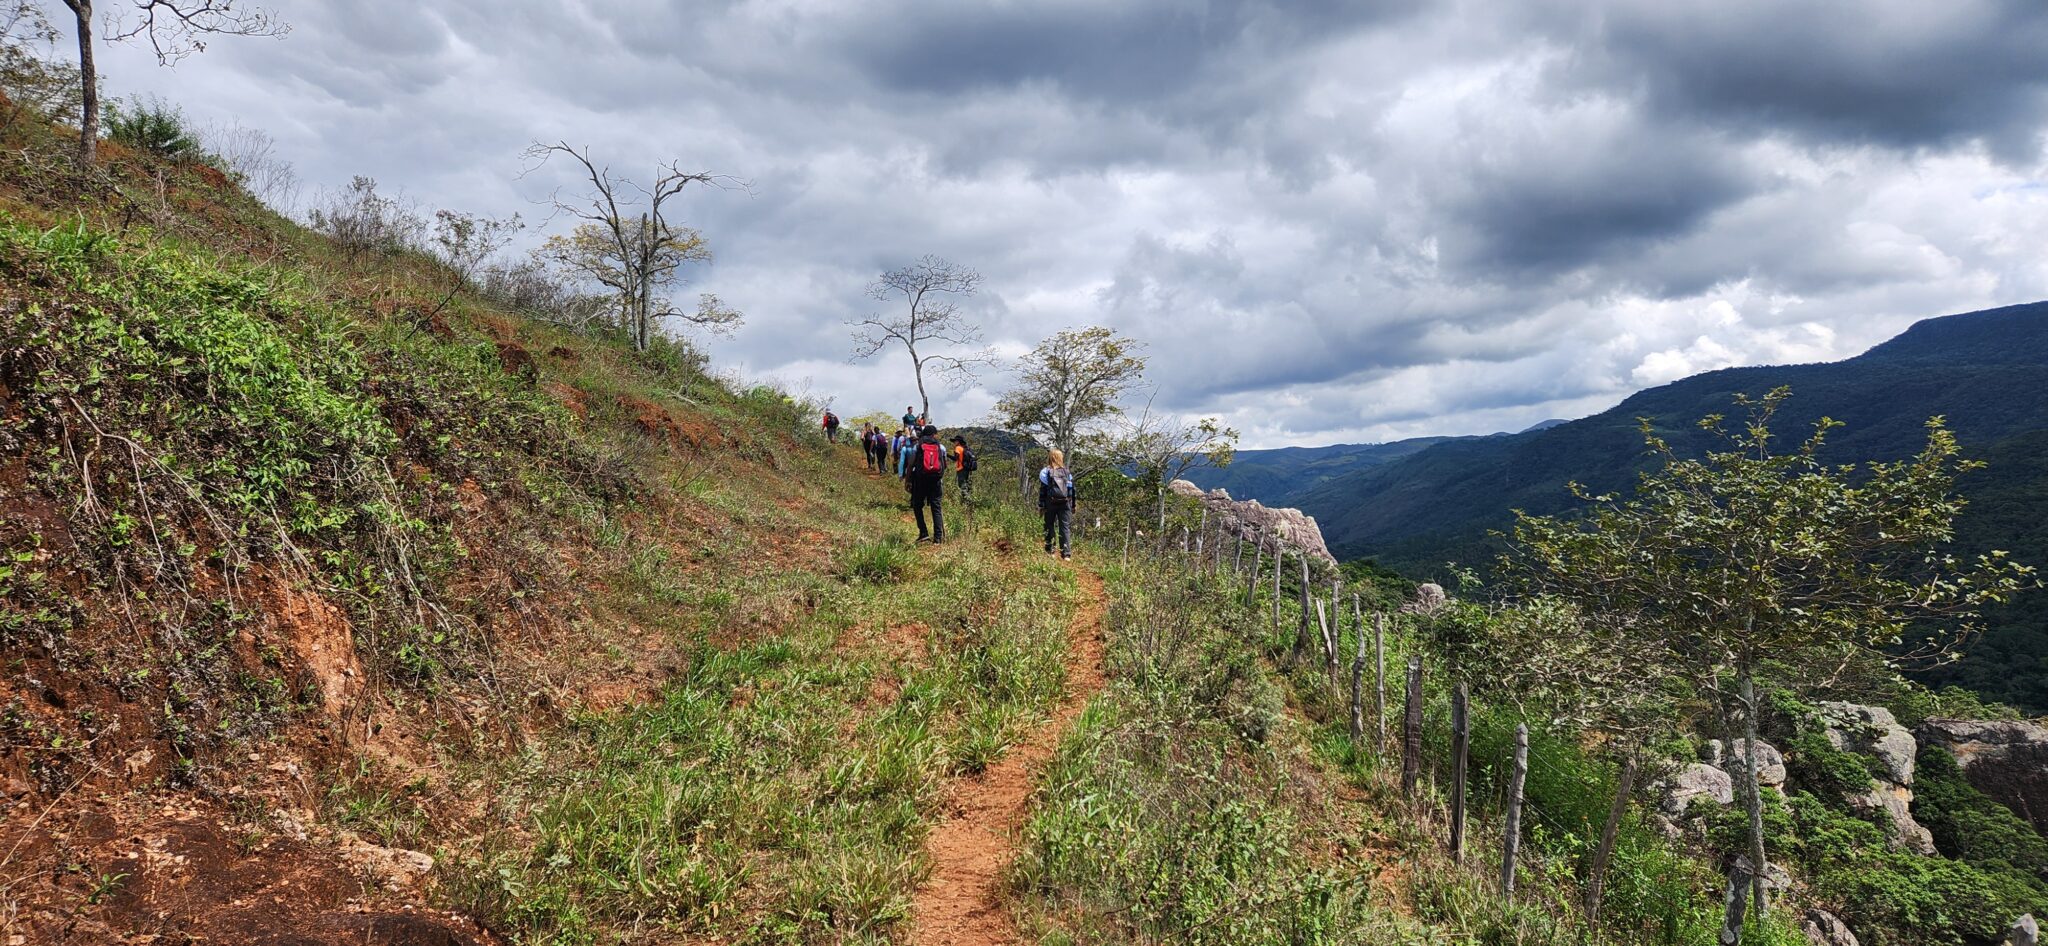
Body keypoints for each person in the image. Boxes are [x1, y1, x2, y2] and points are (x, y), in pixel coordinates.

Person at [906, 424, 949, 543]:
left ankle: (923, 533)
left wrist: (908, 481)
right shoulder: (941, 447)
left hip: (920, 480)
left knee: (917, 505)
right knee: (936, 507)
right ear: (934, 434)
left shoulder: (918, 446)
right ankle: (938, 538)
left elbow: (911, 465)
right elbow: (944, 466)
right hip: (935, 481)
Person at [1039, 448, 1077, 559]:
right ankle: (1066, 554)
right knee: (1064, 527)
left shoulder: (1045, 471)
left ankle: (1050, 551)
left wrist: (1041, 505)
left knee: (1049, 524)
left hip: (1050, 502)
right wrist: (1073, 505)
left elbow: (1043, 490)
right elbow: (1071, 490)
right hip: (1065, 503)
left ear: (1050, 457)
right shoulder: (1067, 472)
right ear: (1061, 458)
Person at [950, 435, 975, 499]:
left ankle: (967, 502)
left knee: (962, 486)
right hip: (967, 469)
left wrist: (946, 455)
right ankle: (970, 501)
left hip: (961, 469)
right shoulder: (965, 448)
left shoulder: (958, 448)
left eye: (955, 441)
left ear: (958, 442)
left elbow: (955, 458)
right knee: (968, 486)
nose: (954, 443)